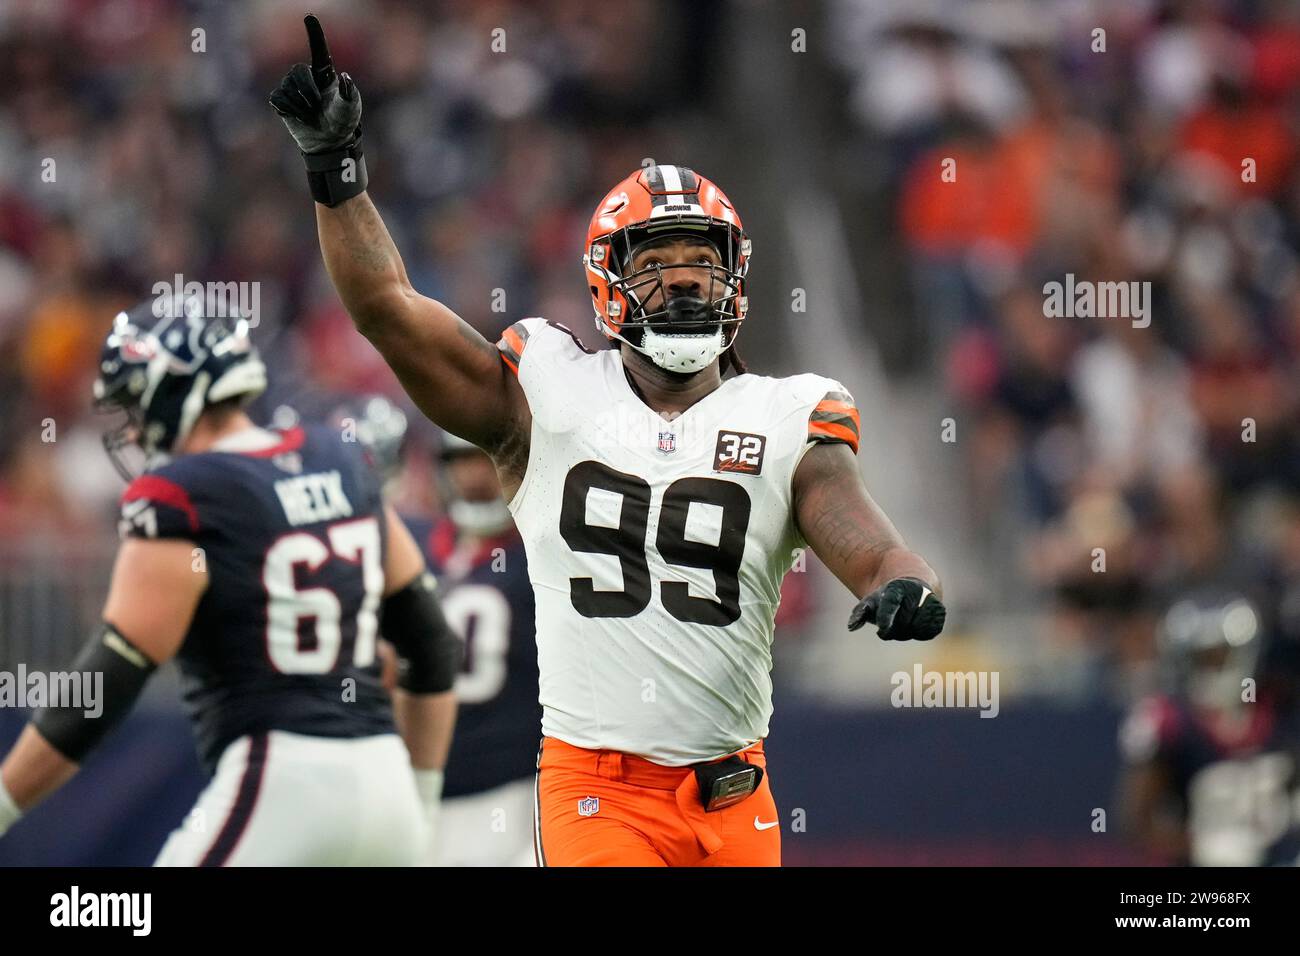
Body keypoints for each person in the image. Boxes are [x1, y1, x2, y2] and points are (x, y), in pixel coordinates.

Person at [270, 15, 947, 866]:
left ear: (734, 273)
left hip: (737, 793)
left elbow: (870, 542)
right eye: (655, 260)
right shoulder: (546, 393)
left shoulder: (790, 415)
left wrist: (907, 584)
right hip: (599, 790)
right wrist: (337, 173)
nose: (683, 280)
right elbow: (388, 309)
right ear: (608, 279)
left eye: (700, 259)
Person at [0, 299, 461, 866]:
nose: (134, 429)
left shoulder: (184, 494)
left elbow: (105, 683)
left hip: (282, 783)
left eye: (134, 406)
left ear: (169, 392)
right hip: (388, 790)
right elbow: (432, 647)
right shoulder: (339, 461)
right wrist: (419, 804)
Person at [1119, 591, 1300, 866]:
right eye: (1199, 659)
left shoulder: (1282, 706)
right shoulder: (1170, 721)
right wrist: (1199, 847)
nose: (1208, 669)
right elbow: (1137, 818)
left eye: (1217, 657)